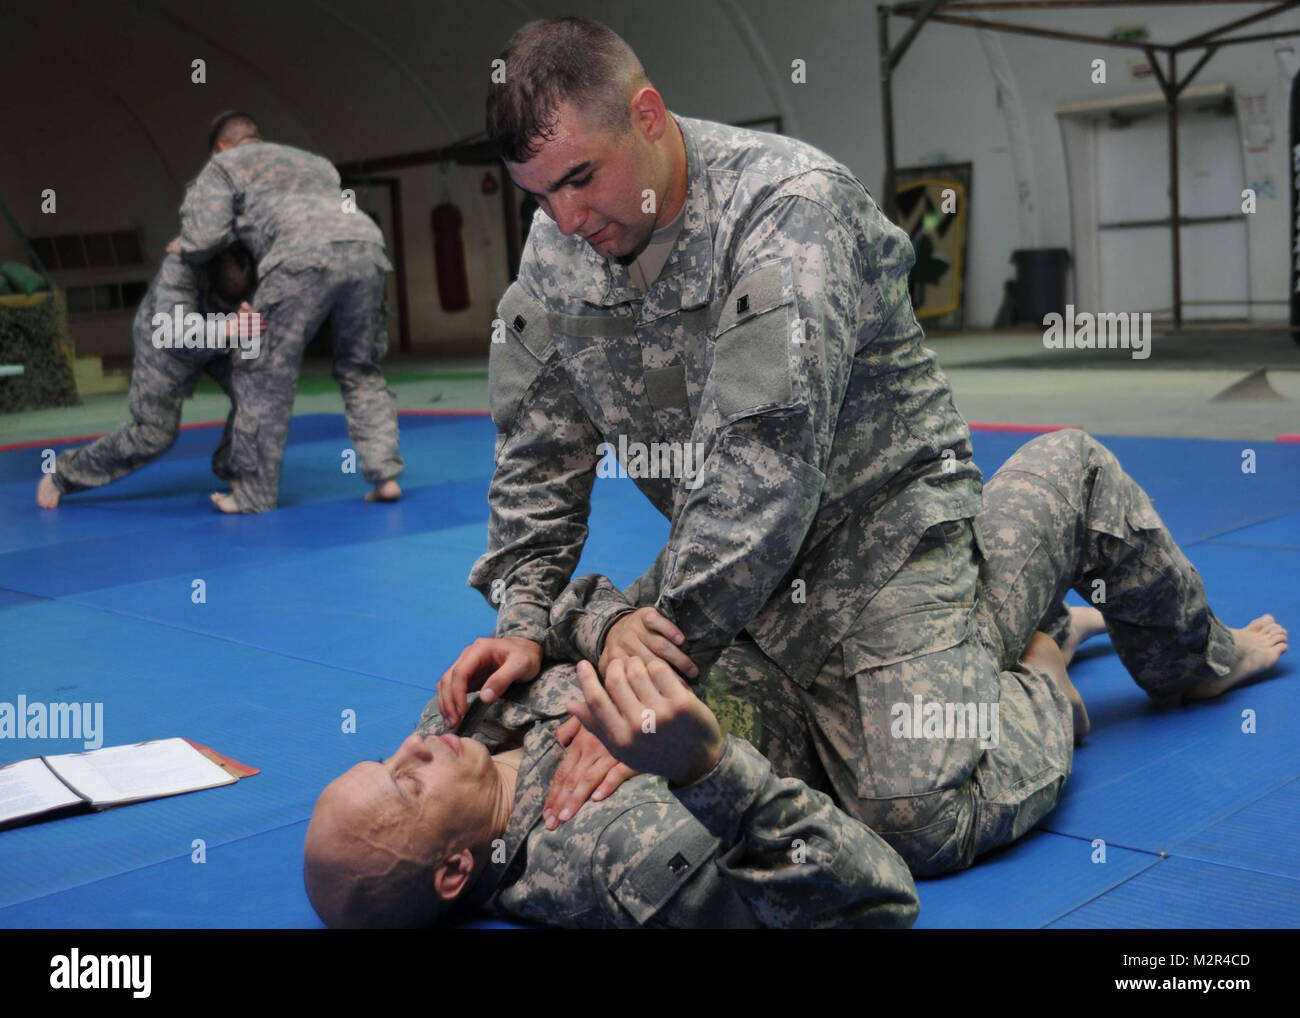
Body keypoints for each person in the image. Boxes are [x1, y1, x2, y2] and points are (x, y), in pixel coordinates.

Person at [304, 649, 946, 929]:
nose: (412, 748)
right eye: (408, 785)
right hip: (871, 698)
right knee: (1048, 475)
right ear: (454, 872)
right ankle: (1046, 672)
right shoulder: (624, 854)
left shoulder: (453, 727)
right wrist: (710, 770)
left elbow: (594, 611)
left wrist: (543, 631)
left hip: (772, 601)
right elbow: (879, 901)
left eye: (383, 759)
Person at [174, 111, 403, 513]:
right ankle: (384, 476)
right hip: (366, 247)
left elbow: (202, 240)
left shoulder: (223, 165)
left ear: (221, 146)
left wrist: (183, 245)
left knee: (261, 370)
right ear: (258, 137)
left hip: (299, 256)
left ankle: (251, 495)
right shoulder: (313, 161)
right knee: (361, 367)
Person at [36, 243, 255, 508]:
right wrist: (227, 328)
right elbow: (175, 336)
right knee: (154, 433)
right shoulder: (179, 267)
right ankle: (63, 475)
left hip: (228, 333)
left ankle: (233, 467)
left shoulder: (265, 258)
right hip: (166, 340)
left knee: (258, 393)